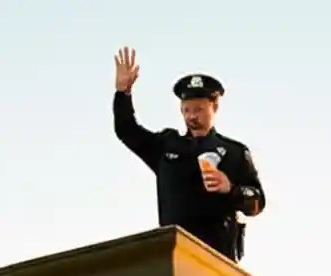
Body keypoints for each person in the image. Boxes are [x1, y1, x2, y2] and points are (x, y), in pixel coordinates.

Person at [111, 47, 266, 262]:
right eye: (187, 109)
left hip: (217, 258)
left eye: (199, 109)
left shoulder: (234, 152)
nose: (192, 116)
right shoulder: (167, 146)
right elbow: (127, 130)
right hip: (174, 254)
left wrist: (231, 189)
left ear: (214, 106)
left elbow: (257, 202)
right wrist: (123, 94)